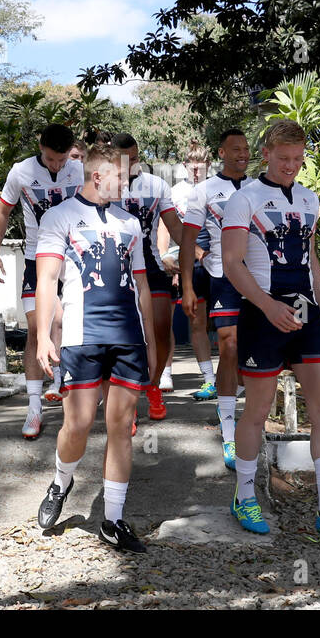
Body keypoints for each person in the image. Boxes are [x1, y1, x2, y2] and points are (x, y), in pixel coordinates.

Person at [221, 121, 320, 536]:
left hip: (306, 312)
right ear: (266, 153)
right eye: (284, 158)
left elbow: (311, 258)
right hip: (261, 312)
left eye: (298, 159)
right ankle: (245, 497)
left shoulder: (308, 199)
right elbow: (232, 263)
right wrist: (267, 307)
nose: (291, 166)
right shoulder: (243, 199)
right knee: (258, 412)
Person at [34, 140, 157, 553]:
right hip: (81, 336)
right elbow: (48, 280)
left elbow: (142, 285)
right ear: (98, 176)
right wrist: (42, 338)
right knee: (80, 424)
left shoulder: (131, 223)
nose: (128, 181)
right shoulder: (59, 216)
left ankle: (114, 520)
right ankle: (61, 481)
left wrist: (152, 344)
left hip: (127, 338)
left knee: (121, 426)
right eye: (121, 175)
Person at [0, 123, 84, 440]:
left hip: (74, 258)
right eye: (51, 159)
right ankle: (34, 408)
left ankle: (75, 387)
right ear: (40, 146)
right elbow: (3, 212)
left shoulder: (79, 171)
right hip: (36, 257)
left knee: (71, 324)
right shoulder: (22, 172)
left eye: (62, 160)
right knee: (35, 328)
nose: (57, 165)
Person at [180, 129, 252, 470]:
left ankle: (252, 422)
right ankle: (229, 434)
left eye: (246, 149)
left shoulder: (259, 188)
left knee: (255, 354)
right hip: (222, 279)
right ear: (221, 152)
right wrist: (188, 287)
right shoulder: (204, 190)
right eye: (235, 149)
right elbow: (187, 239)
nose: (242, 153)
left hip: (259, 279)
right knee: (229, 346)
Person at [107, 133, 183, 423]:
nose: (132, 164)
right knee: (122, 334)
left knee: (162, 327)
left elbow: (174, 224)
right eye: (126, 160)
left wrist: (192, 250)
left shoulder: (156, 185)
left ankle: (153, 385)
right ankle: (126, 402)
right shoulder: (104, 185)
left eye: (136, 158)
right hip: (114, 265)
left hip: (150, 264)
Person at [169, 142, 215, 395]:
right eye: (191, 168)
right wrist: (174, 260)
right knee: (198, 323)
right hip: (192, 263)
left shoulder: (217, 187)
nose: (196, 173)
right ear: (185, 166)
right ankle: (208, 379)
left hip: (218, 261)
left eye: (200, 168)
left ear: (208, 166)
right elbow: (173, 230)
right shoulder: (175, 192)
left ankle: (237, 379)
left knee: (231, 324)